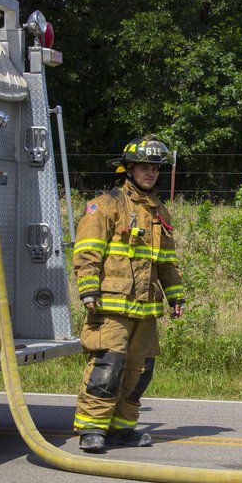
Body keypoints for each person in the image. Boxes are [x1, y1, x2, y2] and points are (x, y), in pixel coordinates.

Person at [72, 137, 185, 453]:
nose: (150, 173)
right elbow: (87, 251)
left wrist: (176, 297)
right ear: (129, 169)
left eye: (155, 168)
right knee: (108, 367)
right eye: (144, 167)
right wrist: (88, 289)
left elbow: (166, 262)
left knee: (139, 372)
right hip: (111, 306)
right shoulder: (106, 205)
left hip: (146, 309)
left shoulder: (159, 212)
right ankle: (92, 428)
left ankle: (122, 429)